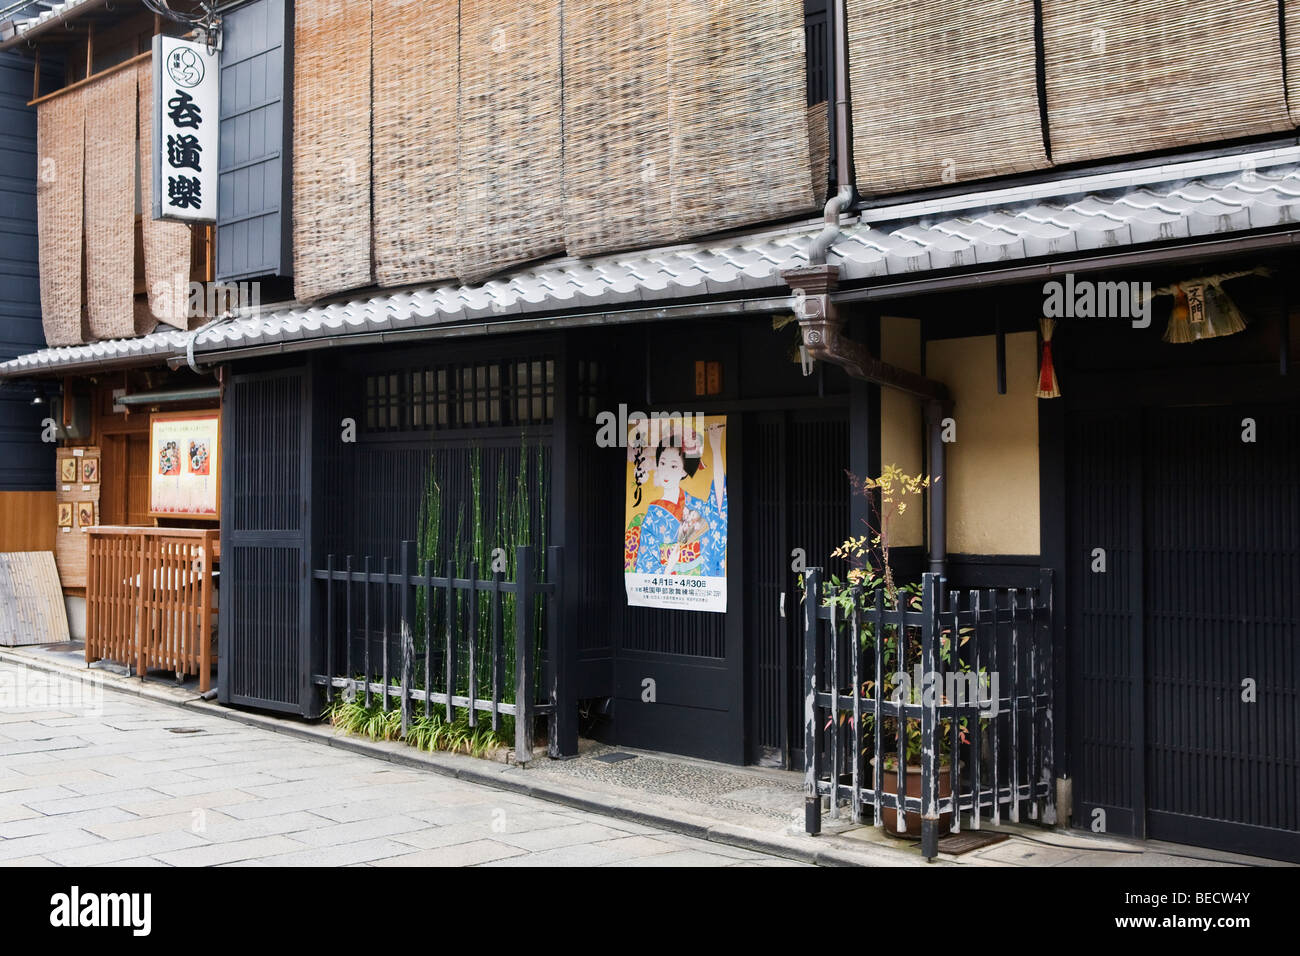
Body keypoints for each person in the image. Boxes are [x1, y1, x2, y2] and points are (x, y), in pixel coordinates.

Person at [633, 422, 726, 577]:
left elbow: (718, 506)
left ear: (684, 471)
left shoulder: (695, 505)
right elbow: (645, 568)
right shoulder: (652, 517)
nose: (666, 472)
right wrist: (669, 567)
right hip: (669, 582)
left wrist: (716, 450)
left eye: (674, 466)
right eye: (662, 463)